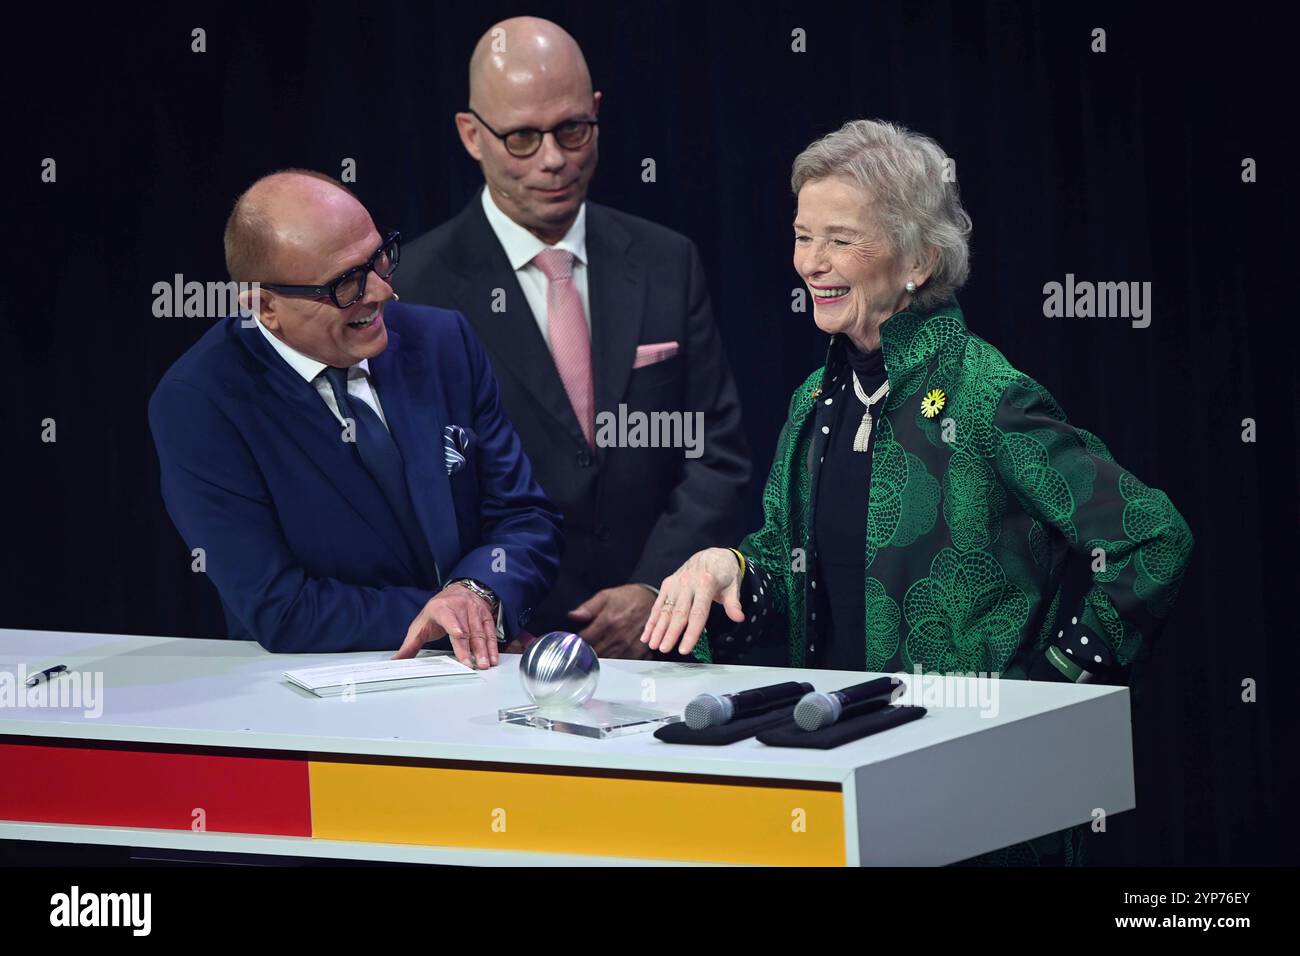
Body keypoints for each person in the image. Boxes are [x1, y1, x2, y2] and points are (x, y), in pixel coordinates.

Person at [642, 120, 1193, 865]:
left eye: (842, 238)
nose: (812, 263)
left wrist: (1053, 686)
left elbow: (1152, 540)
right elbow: (787, 566)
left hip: (979, 798)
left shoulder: (988, 396)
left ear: (919, 260)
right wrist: (730, 570)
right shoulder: (814, 402)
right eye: (804, 236)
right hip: (839, 790)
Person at [395, 17, 751, 659]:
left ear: (596, 113)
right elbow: (418, 484)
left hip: (670, 638)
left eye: (572, 130)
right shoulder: (415, 288)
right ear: (470, 136)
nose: (554, 159)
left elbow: (716, 450)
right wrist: (497, 598)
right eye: (523, 138)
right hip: (497, 650)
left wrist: (653, 590)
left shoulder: (667, 261)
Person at [149, 170, 562, 667]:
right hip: (319, 692)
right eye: (346, 283)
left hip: (483, 669)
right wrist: (450, 617)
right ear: (265, 307)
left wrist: (480, 592)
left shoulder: (442, 341)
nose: (382, 291)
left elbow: (525, 518)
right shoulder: (201, 402)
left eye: (379, 258)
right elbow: (282, 607)